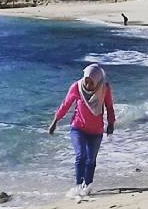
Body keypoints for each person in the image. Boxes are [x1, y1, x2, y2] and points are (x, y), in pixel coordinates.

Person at [48, 63, 115, 198]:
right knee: (81, 156)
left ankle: (87, 186)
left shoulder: (104, 89)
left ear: (98, 81)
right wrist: (55, 121)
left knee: (91, 160)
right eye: (87, 81)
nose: (88, 85)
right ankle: (78, 186)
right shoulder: (77, 87)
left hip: (96, 131)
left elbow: (109, 106)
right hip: (78, 128)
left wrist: (111, 123)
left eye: (92, 83)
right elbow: (65, 105)